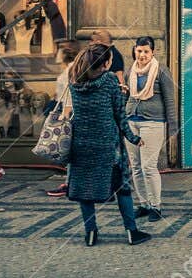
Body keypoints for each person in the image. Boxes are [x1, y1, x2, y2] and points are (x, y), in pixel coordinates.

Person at [66, 43, 151, 245]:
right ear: (105, 63)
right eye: (110, 59)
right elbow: (119, 115)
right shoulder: (110, 80)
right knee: (122, 187)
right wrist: (133, 138)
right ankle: (132, 231)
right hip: (108, 144)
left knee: (85, 190)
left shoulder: (74, 80)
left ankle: (91, 233)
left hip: (81, 143)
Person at [123, 36, 177, 221]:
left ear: (152, 52)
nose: (142, 55)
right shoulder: (130, 70)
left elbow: (170, 100)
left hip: (153, 122)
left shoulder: (161, 71)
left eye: (146, 51)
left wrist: (173, 128)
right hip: (131, 121)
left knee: (148, 166)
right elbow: (127, 96)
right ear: (135, 51)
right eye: (139, 51)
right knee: (136, 167)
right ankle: (144, 204)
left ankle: (156, 206)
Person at [44, 43, 81, 197]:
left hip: (68, 112)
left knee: (69, 149)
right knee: (69, 150)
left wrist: (64, 115)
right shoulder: (70, 68)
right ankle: (70, 182)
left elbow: (69, 94)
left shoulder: (70, 70)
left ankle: (70, 183)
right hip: (66, 110)